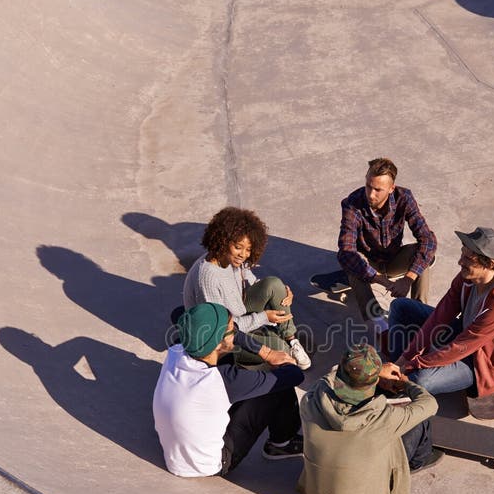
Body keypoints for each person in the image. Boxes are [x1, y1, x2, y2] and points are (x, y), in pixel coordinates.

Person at [153, 302, 305, 477]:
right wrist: (284, 361)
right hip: (211, 463)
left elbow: (180, 312)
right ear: (218, 342)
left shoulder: (177, 348)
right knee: (278, 389)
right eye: (232, 330)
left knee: (228, 356)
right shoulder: (223, 380)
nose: (237, 333)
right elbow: (294, 376)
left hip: (175, 456)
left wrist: (266, 352)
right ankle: (281, 444)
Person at [297, 344, 442, 494]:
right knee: (420, 419)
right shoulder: (385, 419)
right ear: (374, 382)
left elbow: (329, 376)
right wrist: (405, 383)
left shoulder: (311, 398)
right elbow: (430, 404)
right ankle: (420, 461)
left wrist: (369, 372)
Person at [388, 227, 494, 397]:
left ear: (490, 264)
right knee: (401, 307)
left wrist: (413, 365)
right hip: (465, 332)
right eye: (463, 254)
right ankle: (394, 372)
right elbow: (439, 317)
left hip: (483, 361)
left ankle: (400, 380)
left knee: (421, 381)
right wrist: (404, 360)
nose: (460, 262)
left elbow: (460, 347)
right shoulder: (466, 277)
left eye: (469, 258)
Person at [183, 207, 311, 369]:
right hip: (220, 338)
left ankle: (291, 339)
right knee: (278, 349)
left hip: (237, 313)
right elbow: (223, 330)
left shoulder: (231, 259)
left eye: (248, 249)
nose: (243, 254)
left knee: (274, 285)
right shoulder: (208, 277)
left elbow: (255, 283)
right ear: (222, 240)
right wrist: (263, 318)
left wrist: (282, 294)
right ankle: (258, 357)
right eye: (238, 247)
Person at [337, 157, 437, 333]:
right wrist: (378, 279)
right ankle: (379, 325)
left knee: (423, 255)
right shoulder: (352, 204)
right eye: (368, 186)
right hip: (369, 262)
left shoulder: (404, 198)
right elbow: (346, 250)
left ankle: (419, 313)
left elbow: (428, 240)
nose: (370, 194)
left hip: (394, 259)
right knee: (353, 263)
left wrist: (408, 279)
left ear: (391, 189)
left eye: (377, 189)